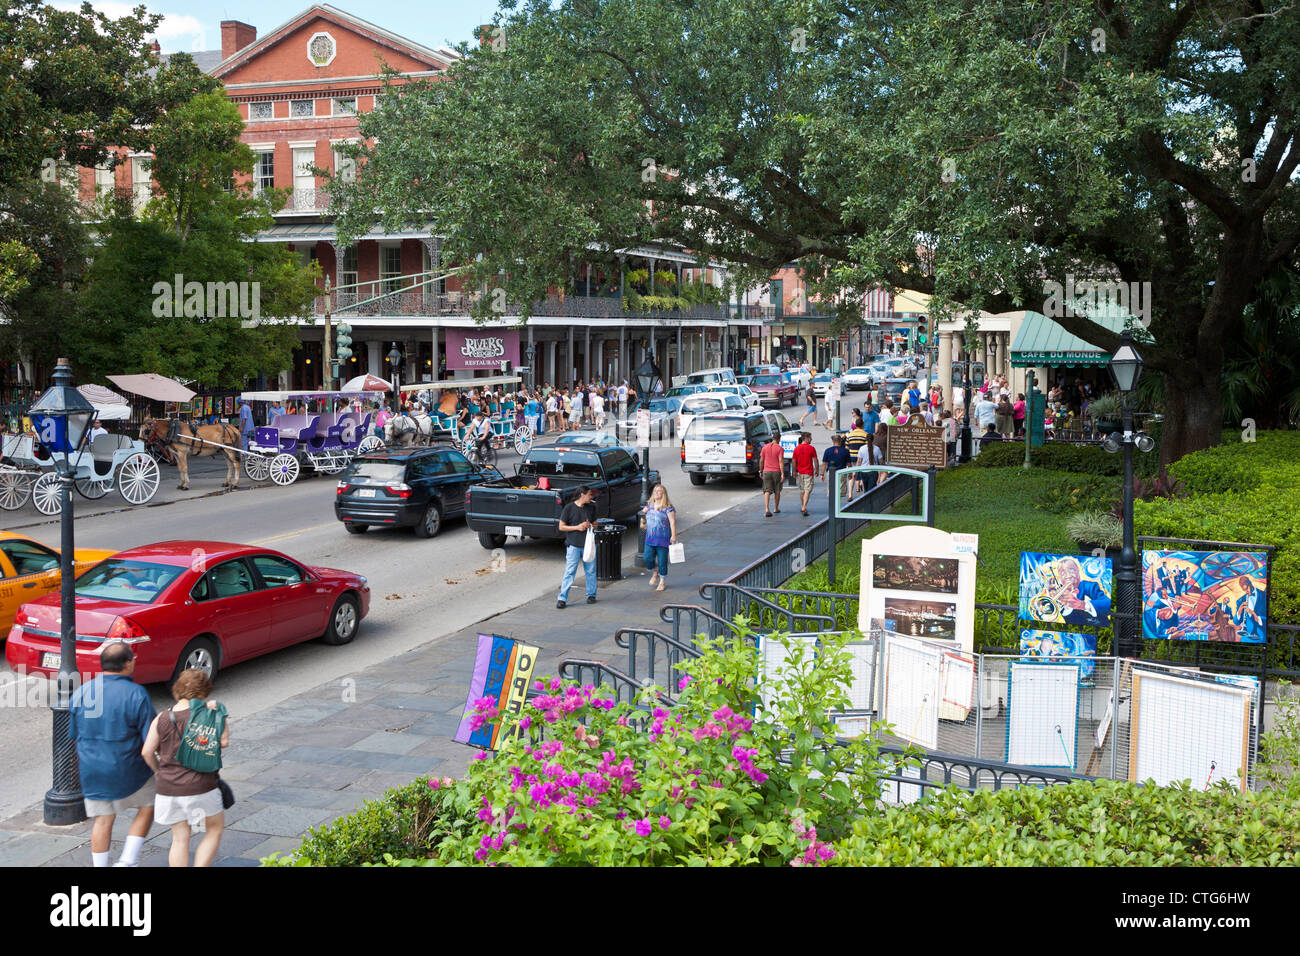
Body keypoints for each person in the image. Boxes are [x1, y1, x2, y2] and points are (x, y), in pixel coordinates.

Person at [68, 641, 157, 867]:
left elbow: (73, 734)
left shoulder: (81, 693)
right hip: (131, 769)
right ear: (127, 664)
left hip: (93, 770)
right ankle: (127, 860)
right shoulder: (137, 694)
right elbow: (150, 739)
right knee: (147, 807)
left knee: (103, 820)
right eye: (133, 659)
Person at [141, 669, 229, 867]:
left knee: (180, 838)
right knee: (214, 829)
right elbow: (223, 742)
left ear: (178, 689)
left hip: (168, 789)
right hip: (202, 786)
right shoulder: (209, 715)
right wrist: (220, 715)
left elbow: (147, 752)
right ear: (205, 691)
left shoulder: (162, 718)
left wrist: (158, 771)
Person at [556, 485, 599, 608]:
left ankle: (591, 594)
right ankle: (562, 598)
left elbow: (596, 524)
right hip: (573, 544)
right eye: (589, 494)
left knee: (591, 571)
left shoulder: (591, 507)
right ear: (582, 495)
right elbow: (561, 526)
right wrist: (577, 527)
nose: (591, 497)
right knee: (570, 571)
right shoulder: (569, 508)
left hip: (588, 544)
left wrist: (590, 525)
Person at [639, 482, 678, 591]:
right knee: (647, 558)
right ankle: (654, 571)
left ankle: (662, 581)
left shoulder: (668, 508)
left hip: (663, 539)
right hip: (650, 538)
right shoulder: (649, 506)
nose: (656, 492)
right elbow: (643, 520)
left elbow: (672, 522)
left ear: (663, 493)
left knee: (662, 561)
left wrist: (674, 535)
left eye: (659, 490)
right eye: (655, 490)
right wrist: (643, 519)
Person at [792, 432, 818, 515]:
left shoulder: (796, 448)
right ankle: (804, 507)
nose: (811, 439)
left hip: (800, 472)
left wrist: (794, 471)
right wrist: (817, 470)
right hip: (808, 472)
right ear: (806, 438)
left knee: (802, 490)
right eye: (810, 438)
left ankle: (802, 505)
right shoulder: (811, 448)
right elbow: (815, 460)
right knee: (807, 490)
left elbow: (793, 461)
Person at [759, 433, 785, 517]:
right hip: (776, 472)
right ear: (779, 439)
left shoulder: (765, 447)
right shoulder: (780, 448)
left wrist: (761, 471)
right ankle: (776, 508)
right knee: (777, 491)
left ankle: (767, 509)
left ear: (772, 438)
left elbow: (761, 460)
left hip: (766, 471)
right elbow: (781, 461)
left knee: (767, 490)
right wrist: (782, 473)